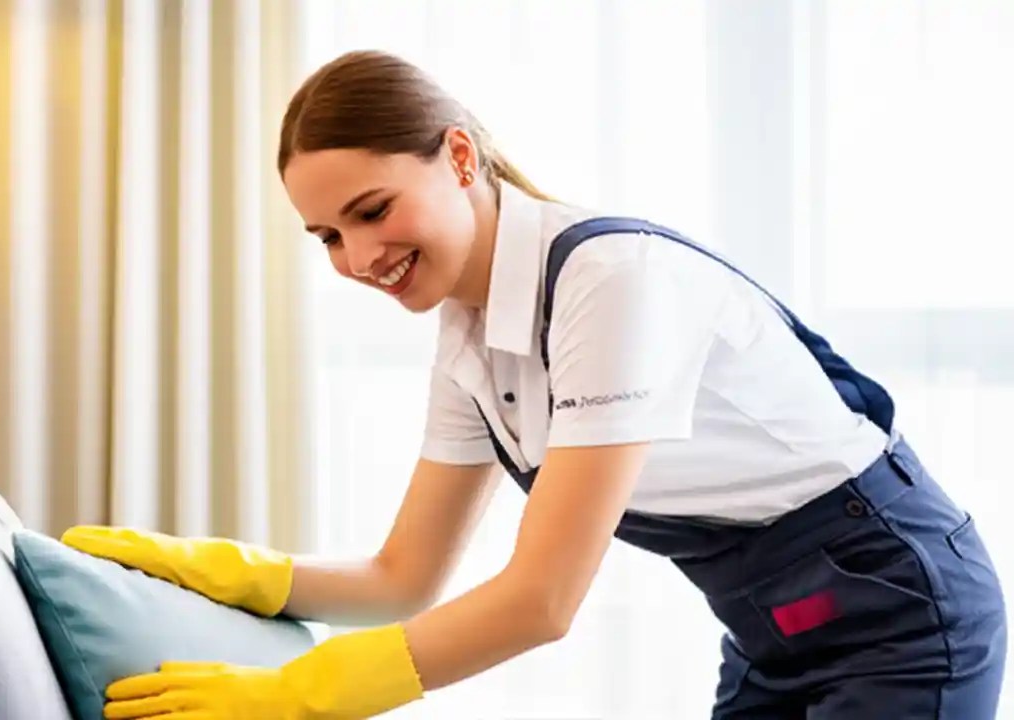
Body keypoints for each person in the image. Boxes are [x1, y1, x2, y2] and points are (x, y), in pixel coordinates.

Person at [61, 49, 1007, 719]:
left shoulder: (609, 280)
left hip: (899, 608)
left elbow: (541, 601)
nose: (357, 258)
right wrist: (227, 574)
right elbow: (404, 580)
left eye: (372, 210)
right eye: (328, 238)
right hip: (779, 628)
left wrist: (300, 697)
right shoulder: (470, 339)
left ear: (460, 156)